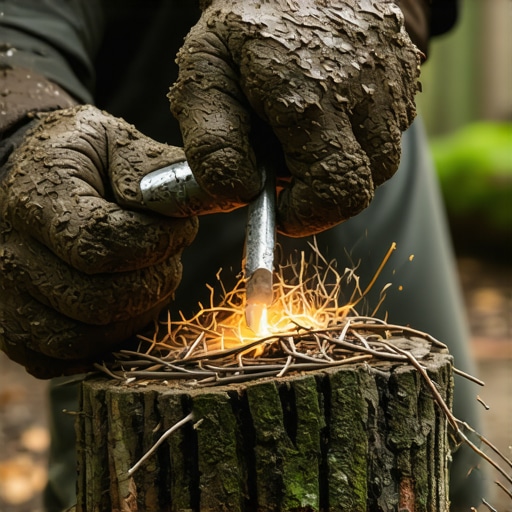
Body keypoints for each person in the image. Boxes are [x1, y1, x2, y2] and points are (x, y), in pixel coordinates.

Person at [0, 1, 485, 510]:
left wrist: (362, 10)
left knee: (436, 451)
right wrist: (17, 133)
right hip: (115, 168)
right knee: (125, 473)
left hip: (334, 108)